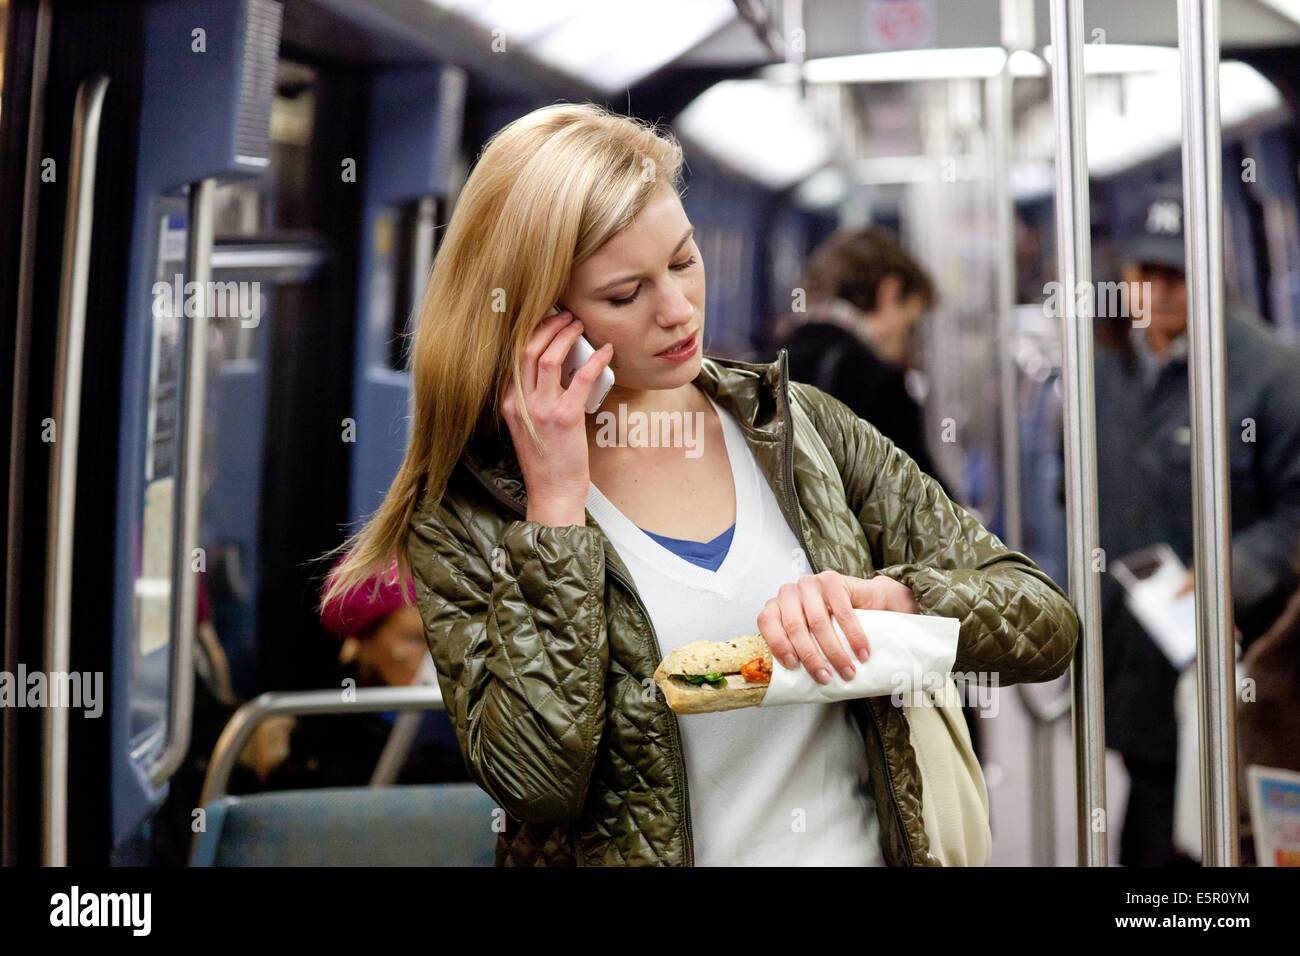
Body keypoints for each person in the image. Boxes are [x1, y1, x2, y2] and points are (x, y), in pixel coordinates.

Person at [324, 103, 1080, 866]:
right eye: (626, 295)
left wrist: (899, 599)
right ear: (542, 323)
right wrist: (555, 515)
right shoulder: (470, 512)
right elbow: (538, 783)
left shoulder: (802, 431)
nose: (679, 311)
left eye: (684, 260)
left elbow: (1046, 623)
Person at [1092, 183, 1300, 866]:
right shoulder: (1102, 367)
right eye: (1146, 273)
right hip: (1130, 660)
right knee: (1150, 824)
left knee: (1211, 839)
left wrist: (1230, 574)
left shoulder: (1270, 374)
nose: (1161, 291)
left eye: (1177, 274)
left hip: (1232, 661)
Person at [774, 228, 945, 488]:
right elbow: (932, 513)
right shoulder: (879, 385)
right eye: (910, 327)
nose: (908, 347)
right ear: (890, 291)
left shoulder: (763, 368)